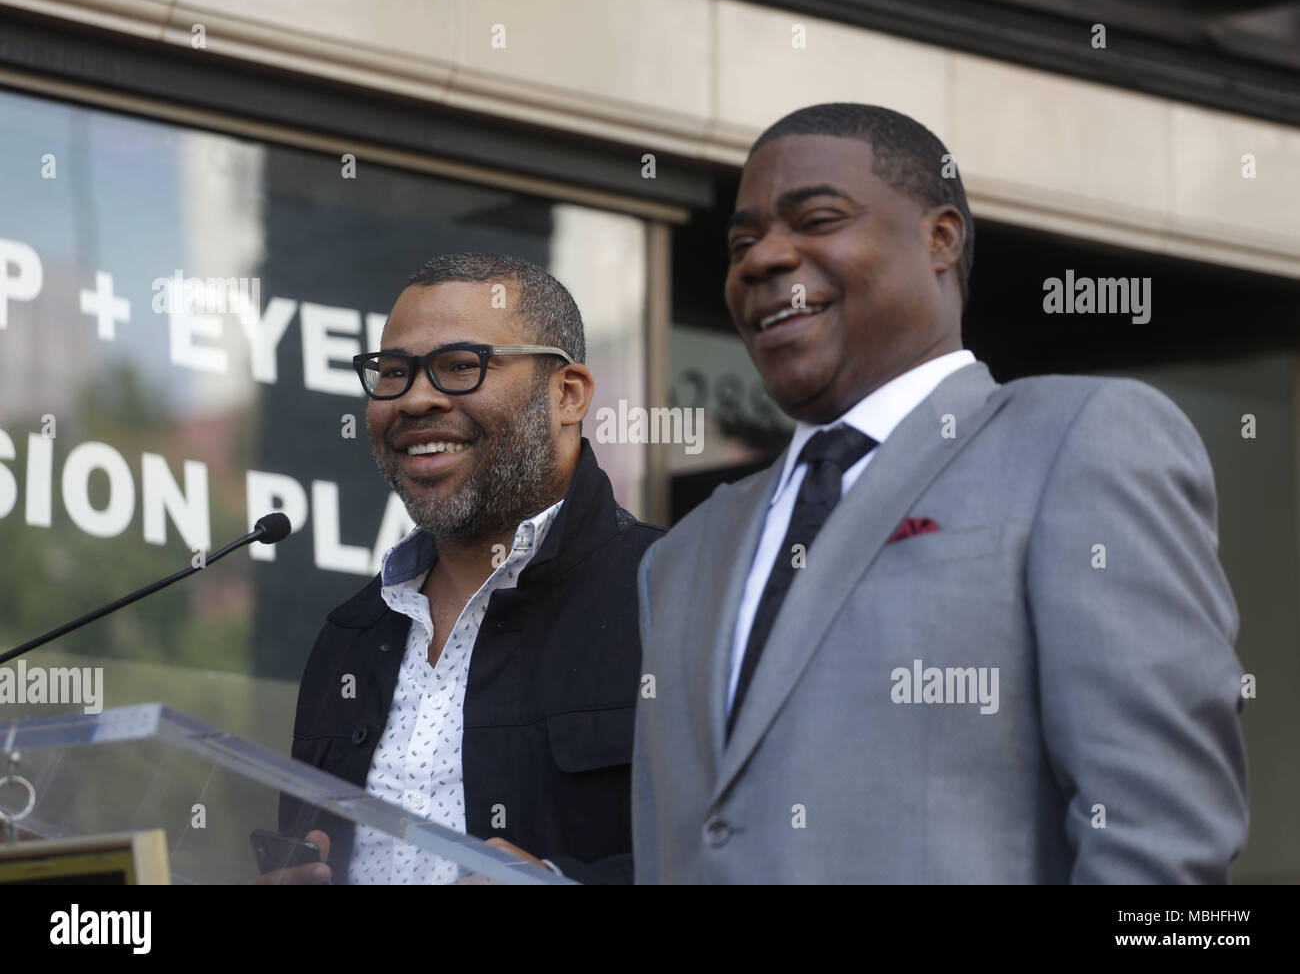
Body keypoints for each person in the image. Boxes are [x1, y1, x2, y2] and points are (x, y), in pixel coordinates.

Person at [632, 103, 1248, 883]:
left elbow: (1163, 844)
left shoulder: (1081, 439)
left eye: (816, 217)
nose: (762, 259)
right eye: (742, 242)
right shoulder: (683, 553)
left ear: (940, 237)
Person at [272, 252, 660, 884]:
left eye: (459, 366)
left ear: (567, 395)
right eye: (393, 373)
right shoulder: (349, 639)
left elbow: (775, 855)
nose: (416, 400)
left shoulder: (674, 595)